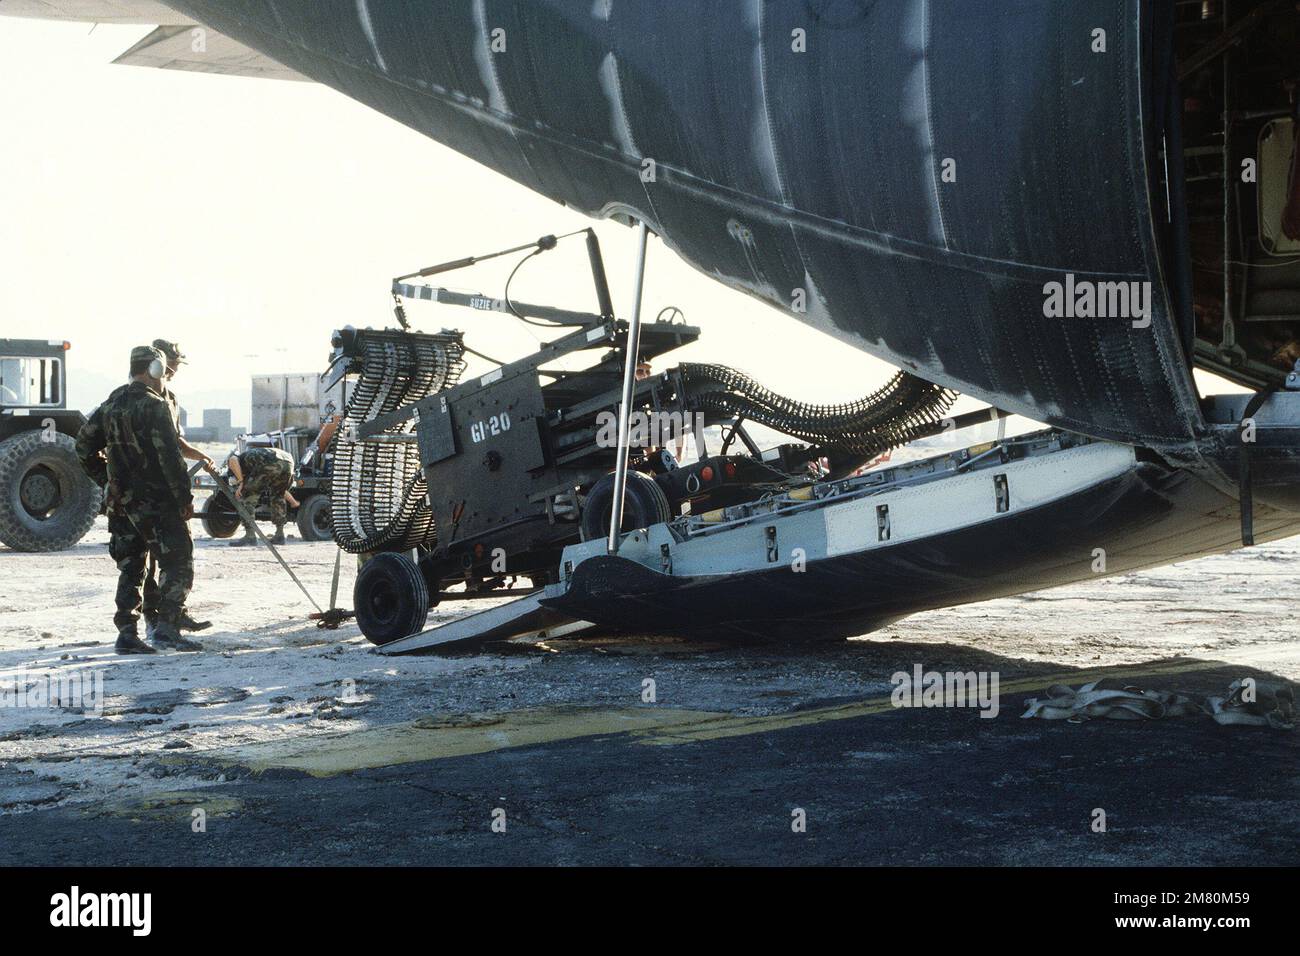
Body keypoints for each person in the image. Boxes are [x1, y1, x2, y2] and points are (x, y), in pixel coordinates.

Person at [75, 346, 201, 653]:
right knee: (179, 560)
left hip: (120, 502)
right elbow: (170, 457)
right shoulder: (154, 405)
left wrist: (107, 481)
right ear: (155, 369)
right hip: (156, 501)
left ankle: (127, 634)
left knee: (131, 567)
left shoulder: (112, 402)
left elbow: (82, 447)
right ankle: (167, 628)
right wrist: (184, 497)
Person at [141, 339, 213, 637]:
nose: (175, 371)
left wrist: (200, 456)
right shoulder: (146, 398)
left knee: (164, 556)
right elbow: (168, 450)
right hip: (153, 491)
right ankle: (157, 620)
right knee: (163, 557)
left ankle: (173, 614)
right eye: (173, 365)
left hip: (158, 490)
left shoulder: (169, 397)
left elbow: (176, 443)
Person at [226, 445, 298, 546]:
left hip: (269, 461)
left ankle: (250, 536)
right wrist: (293, 502)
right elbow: (283, 491)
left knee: (247, 496)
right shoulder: (253, 460)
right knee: (278, 496)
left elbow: (233, 459)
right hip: (288, 462)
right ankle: (279, 535)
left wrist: (241, 482)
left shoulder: (238, 459)